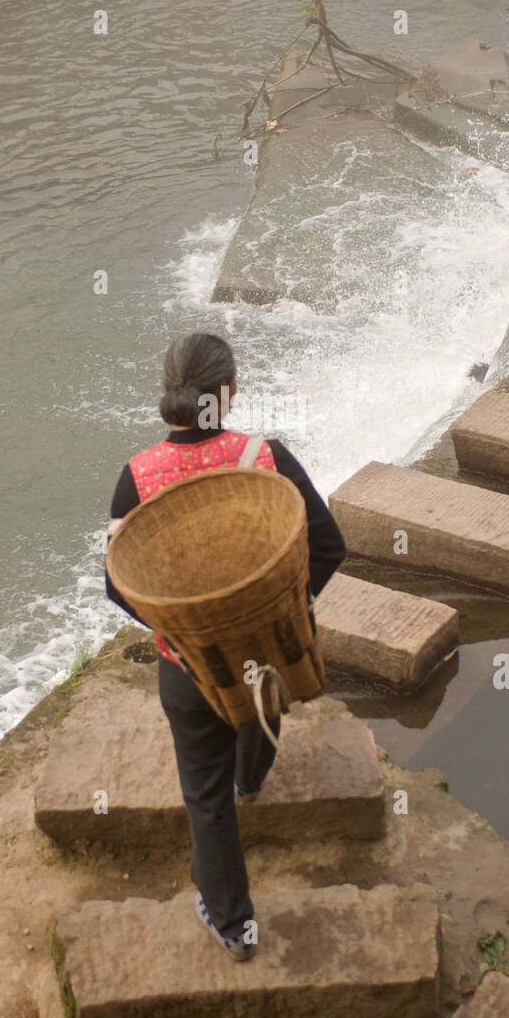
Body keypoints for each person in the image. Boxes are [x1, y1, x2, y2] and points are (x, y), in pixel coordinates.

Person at [104, 332, 346, 961]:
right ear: (228, 394)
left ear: (172, 395)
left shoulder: (136, 480)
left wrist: (183, 630)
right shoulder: (267, 459)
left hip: (187, 667)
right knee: (259, 717)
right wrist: (278, 613)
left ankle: (233, 923)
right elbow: (327, 547)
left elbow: (118, 585)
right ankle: (252, 781)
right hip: (266, 654)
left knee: (201, 794)